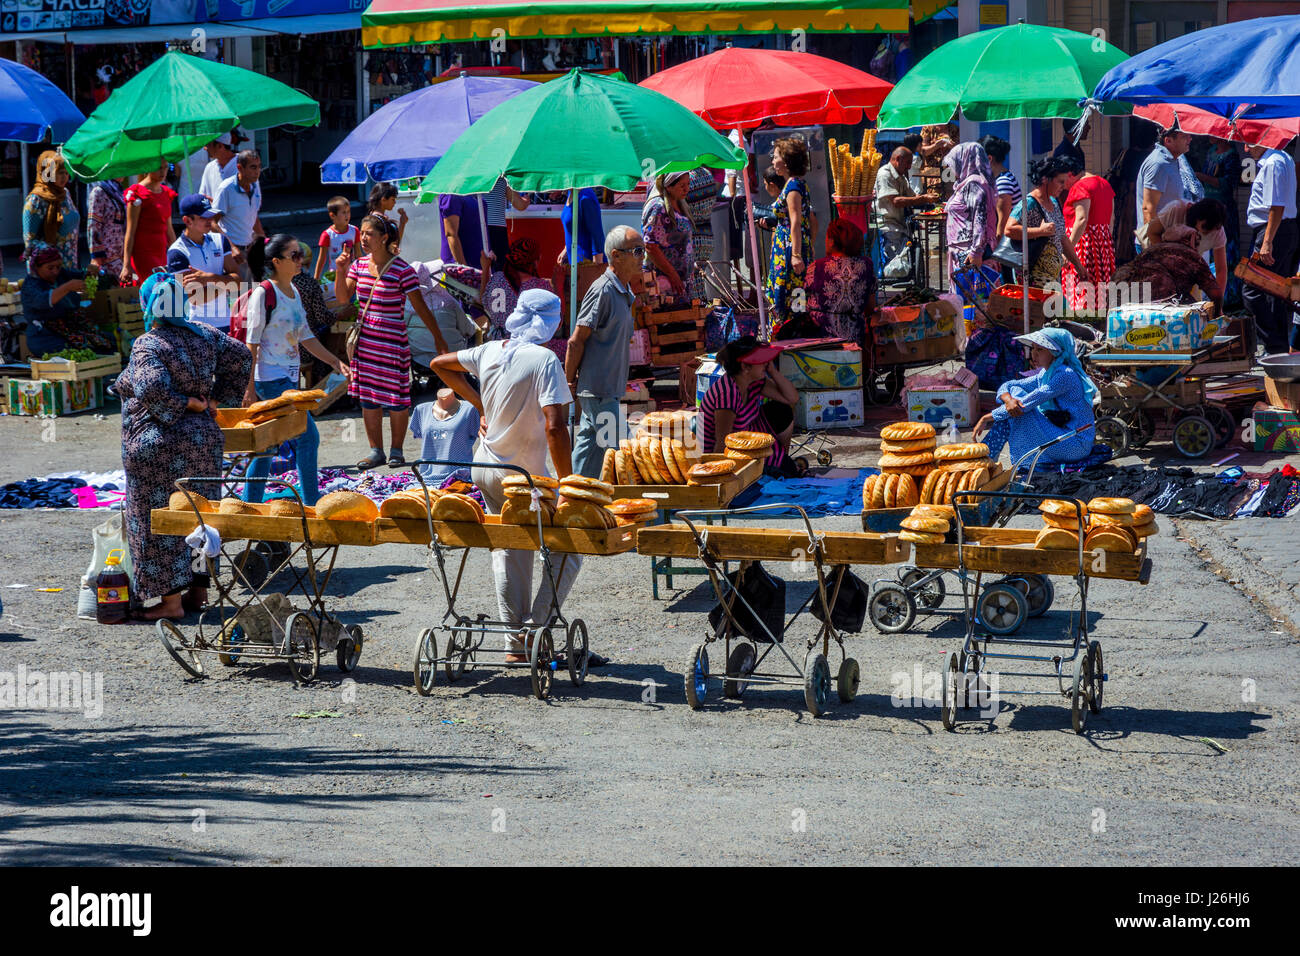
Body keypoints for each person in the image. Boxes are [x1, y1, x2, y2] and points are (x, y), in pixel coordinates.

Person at [430, 289, 579, 663]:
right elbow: (556, 427)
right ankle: (533, 630)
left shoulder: (490, 350)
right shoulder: (545, 359)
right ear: (550, 322)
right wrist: (568, 483)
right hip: (525, 480)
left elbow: (439, 364)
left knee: (509, 548)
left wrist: (480, 402)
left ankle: (516, 643)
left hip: (487, 469)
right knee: (569, 548)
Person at [115, 271, 252, 620]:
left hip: (158, 446)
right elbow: (241, 357)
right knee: (198, 515)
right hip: (203, 443)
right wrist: (219, 402)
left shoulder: (150, 342)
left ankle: (170, 602)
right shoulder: (205, 336)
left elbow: (152, 389)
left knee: (158, 520)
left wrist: (187, 404)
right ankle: (198, 592)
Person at [239, 235, 349, 507]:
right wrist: (249, 388)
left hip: (288, 380)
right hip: (268, 381)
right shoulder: (263, 294)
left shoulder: (294, 291)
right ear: (276, 262)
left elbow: (306, 336)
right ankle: (311, 500)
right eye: (295, 255)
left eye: (301, 254)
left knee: (267, 446)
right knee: (307, 438)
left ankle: (249, 503)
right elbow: (250, 345)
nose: (302, 260)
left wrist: (336, 362)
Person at [335, 214, 449, 469]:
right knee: (368, 399)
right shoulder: (358, 266)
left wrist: (439, 340)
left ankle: (396, 450)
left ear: (384, 238)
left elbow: (420, 308)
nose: (363, 238)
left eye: (369, 234)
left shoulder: (402, 270)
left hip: (392, 344)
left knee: (397, 399)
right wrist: (341, 271)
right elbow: (343, 298)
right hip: (365, 344)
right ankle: (376, 451)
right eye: (362, 233)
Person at [566, 225, 642, 478]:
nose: (642, 256)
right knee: (625, 453)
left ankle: (569, 500)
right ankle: (645, 513)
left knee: (590, 450)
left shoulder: (624, 289)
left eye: (643, 251)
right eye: (637, 251)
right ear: (616, 255)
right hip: (599, 391)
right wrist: (568, 381)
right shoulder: (602, 291)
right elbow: (576, 341)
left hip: (607, 391)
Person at [973, 327, 1097, 467]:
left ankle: (983, 460)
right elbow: (1009, 385)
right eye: (1033, 348)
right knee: (1015, 394)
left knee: (1017, 412)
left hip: (1075, 444)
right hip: (1060, 433)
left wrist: (986, 417)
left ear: (1055, 353)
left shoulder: (1065, 375)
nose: (1034, 354)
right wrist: (1009, 400)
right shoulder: (1045, 373)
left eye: (1040, 350)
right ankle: (984, 459)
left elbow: (1027, 403)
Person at [697, 335, 800, 477]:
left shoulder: (753, 382)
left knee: (782, 411)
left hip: (745, 438)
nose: (766, 363)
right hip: (725, 451)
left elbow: (792, 398)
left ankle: (779, 462)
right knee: (787, 472)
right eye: (761, 361)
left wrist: (772, 371)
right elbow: (721, 444)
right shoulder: (728, 394)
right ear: (745, 366)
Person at [1241, 143, 1299, 354]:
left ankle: (1274, 345)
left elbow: (1276, 205)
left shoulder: (1274, 162)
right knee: (1273, 292)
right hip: (1278, 230)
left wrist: (1267, 242)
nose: (1246, 150)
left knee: (1251, 289)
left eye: (1248, 144)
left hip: (1272, 231)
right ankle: (1278, 347)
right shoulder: (1280, 159)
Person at [1006, 156, 1089, 288]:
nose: (1063, 186)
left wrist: (1079, 266)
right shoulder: (1029, 203)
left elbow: (1062, 237)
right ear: (1045, 179)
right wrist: (1040, 231)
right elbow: (1009, 229)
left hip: (1052, 278)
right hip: (1032, 278)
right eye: (1060, 182)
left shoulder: (1054, 203)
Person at [20, 244, 113, 356]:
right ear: (36, 267)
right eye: (50, 268)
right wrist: (67, 287)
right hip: (44, 336)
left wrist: (91, 272)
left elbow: (82, 275)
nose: (55, 271)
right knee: (77, 352)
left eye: (58, 267)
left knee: (107, 343)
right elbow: (44, 300)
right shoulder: (30, 285)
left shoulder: (62, 274)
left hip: (70, 327)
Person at [166, 194, 240, 333]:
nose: (209, 220)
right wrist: (225, 281)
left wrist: (210, 278)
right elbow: (195, 298)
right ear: (187, 220)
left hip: (227, 322)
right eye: (203, 217)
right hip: (198, 327)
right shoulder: (176, 252)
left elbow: (238, 281)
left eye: (210, 216)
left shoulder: (220, 240)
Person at [765, 136, 815, 335]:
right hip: (788, 245)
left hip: (789, 249)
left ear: (785, 160)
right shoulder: (793, 184)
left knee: (793, 291)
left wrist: (796, 254)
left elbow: (795, 220)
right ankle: (790, 330)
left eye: (775, 156)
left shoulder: (793, 186)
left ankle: (791, 333)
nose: (772, 161)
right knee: (795, 290)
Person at [805, 218, 876, 344]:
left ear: (831, 241)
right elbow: (871, 306)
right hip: (855, 340)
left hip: (821, 342)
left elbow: (799, 302)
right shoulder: (867, 265)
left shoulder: (815, 267)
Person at [1060, 155, 1116, 312]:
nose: (1062, 186)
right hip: (1103, 243)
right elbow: (1111, 219)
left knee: (1081, 286)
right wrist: (1105, 242)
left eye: (1062, 180)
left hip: (1083, 245)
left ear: (1070, 174)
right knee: (1100, 288)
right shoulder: (1104, 183)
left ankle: (1082, 322)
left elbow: (1081, 219)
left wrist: (1068, 250)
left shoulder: (1080, 187)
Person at [1110, 241, 1222, 312]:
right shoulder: (1194, 259)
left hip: (1128, 292)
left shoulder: (1159, 248)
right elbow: (1215, 294)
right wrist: (1217, 314)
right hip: (1152, 299)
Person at [479, 238, 555, 341]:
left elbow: (482, 300)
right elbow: (556, 322)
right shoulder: (540, 286)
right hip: (526, 347)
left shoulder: (497, 278)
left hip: (498, 343)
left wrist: (485, 268)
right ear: (535, 262)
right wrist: (558, 285)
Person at [943, 141, 998, 281]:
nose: (952, 167)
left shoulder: (973, 184)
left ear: (964, 160)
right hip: (962, 250)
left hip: (967, 252)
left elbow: (980, 220)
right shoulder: (966, 184)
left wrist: (976, 252)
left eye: (955, 161)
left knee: (970, 297)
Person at [1146, 197, 1228, 291]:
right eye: (1206, 227)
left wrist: (1218, 301)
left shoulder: (1218, 231)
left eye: (1212, 229)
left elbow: (1221, 270)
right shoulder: (1176, 209)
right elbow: (1152, 232)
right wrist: (1167, 258)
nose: (1209, 232)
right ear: (1198, 216)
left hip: (1187, 273)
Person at [1198, 140, 1243, 305]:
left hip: (1223, 209)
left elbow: (1228, 184)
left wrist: (1203, 178)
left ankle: (1229, 297)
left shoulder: (1231, 156)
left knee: (1226, 251)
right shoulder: (1211, 151)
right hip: (1208, 208)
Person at [642, 170, 696, 304]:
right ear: (669, 186)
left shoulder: (680, 204)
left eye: (688, 184)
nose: (687, 189)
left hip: (680, 280)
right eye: (682, 185)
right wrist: (673, 275)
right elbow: (650, 245)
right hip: (664, 280)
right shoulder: (658, 207)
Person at [120, 161, 177, 286]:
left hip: (162, 252)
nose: (163, 172)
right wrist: (126, 264)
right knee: (153, 288)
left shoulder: (166, 192)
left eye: (165, 168)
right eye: (158, 168)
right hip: (143, 253)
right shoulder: (137, 193)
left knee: (164, 289)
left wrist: (178, 253)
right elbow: (130, 231)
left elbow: (169, 229)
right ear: (148, 168)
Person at [874, 147, 934, 265]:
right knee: (895, 267)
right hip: (888, 226)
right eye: (907, 163)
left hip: (901, 225)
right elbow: (896, 201)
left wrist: (930, 200)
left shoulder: (901, 177)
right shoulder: (884, 174)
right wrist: (923, 198)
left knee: (906, 262)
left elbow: (912, 197)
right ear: (898, 159)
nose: (909, 167)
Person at [1136, 125, 1192, 251]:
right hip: (1156, 244)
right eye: (1184, 136)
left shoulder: (1172, 160)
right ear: (1168, 140)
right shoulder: (1158, 163)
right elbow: (1148, 209)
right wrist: (1156, 248)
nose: (1190, 139)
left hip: (1168, 242)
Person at [409, 387, 481, 484]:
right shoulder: (421, 410)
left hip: (460, 478)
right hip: (425, 478)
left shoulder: (470, 409)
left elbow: (485, 440)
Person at [212, 149, 265, 280]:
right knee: (238, 295)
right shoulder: (226, 189)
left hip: (251, 249)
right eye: (253, 167)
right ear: (240, 168)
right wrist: (232, 248)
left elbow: (254, 216)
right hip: (233, 253)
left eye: (259, 167)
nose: (257, 171)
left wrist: (264, 242)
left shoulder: (255, 186)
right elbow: (212, 223)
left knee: (254, 293)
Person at [23, 151, 81, 268]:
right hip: (48, 271)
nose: (65, 177)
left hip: (70, 267)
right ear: (47, 173)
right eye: (59, 173)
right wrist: (52, 254)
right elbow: (30, 243)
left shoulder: (65, 194)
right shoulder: (36, 200)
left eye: (66, 172)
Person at [315, 195, 358, 301]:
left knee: (352, 302)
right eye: (343, 212)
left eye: (348, 211)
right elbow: (321, 259)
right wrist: (316, 278)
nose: (347, 215)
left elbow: (358, 254)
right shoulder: (327, 235)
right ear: (332, 215)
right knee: (339, 303)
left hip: (352, 275)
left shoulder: (355, 231)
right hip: (335, 276)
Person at [480, 176, 531, 265]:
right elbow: (520, 205)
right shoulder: (502, 179)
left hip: (477, 226)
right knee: (499, 268)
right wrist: (526, 199)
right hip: (497, 228)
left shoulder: (473, 178)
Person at [979, 134, 1020, 239]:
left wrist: (995, 252)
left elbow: (1002, 224)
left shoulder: (1003, 182)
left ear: (989, 159)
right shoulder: (1000, 178)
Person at [87, 177, 128, 278]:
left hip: (120, 255)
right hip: (106, 257)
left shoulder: (119, 191)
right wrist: (96, 256)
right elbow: (94, 224)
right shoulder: (99, 191)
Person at [687, 166, 721, 271]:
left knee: (693, 281)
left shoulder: (686, 178)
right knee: (700, 279)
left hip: (691, 239)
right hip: (707, 238)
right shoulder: (707, 174)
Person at [439, 192, 486, 267]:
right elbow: (451, 234)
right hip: (462, 267)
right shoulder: (452, 194)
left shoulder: (472, 191)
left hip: (480, 263)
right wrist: (465, 269)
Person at [199, 130, 242, 200]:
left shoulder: (244, 164)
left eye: (208, 144)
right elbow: (202, 196)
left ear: (219, 146)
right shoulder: (209, 167)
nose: (205, 148)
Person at [367, 182, 409, 247]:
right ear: (383, 200)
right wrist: (402, 223)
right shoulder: (379, 221)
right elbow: (394, 244)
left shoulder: (373, 216)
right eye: (393, 199)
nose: (395, 202)